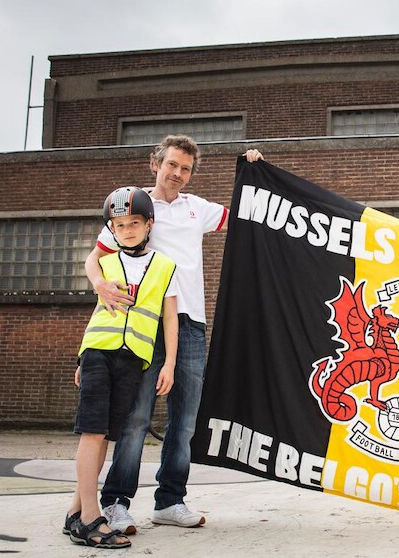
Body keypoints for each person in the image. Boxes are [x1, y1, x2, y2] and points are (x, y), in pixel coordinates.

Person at [87, 135, 263, 533]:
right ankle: (116, 502)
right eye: (172, 165)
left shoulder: (195, 208)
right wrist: (99, 284)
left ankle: (169, 501)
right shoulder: (136, 206)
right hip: (146, 323)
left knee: (185, 422)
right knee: (136, 417)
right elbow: (94, 256)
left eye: (185, 168)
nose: (178, 174)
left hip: (191, 325)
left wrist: (254, 171)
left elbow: (246, 215)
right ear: (156, 164)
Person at [65, 187, 178, 548]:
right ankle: (89, 518)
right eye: (119, 225)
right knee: (92, 432)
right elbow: (91, 275)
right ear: (110, 229)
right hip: (99, 351)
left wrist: (170, 363)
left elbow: (169, 319)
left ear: (149, 224)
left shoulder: (164, 266)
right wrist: (83, 357)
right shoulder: (106, 262)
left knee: (105, 434)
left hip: (134, 360)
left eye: (133, 223)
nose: (126, 230)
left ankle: (74, 511)